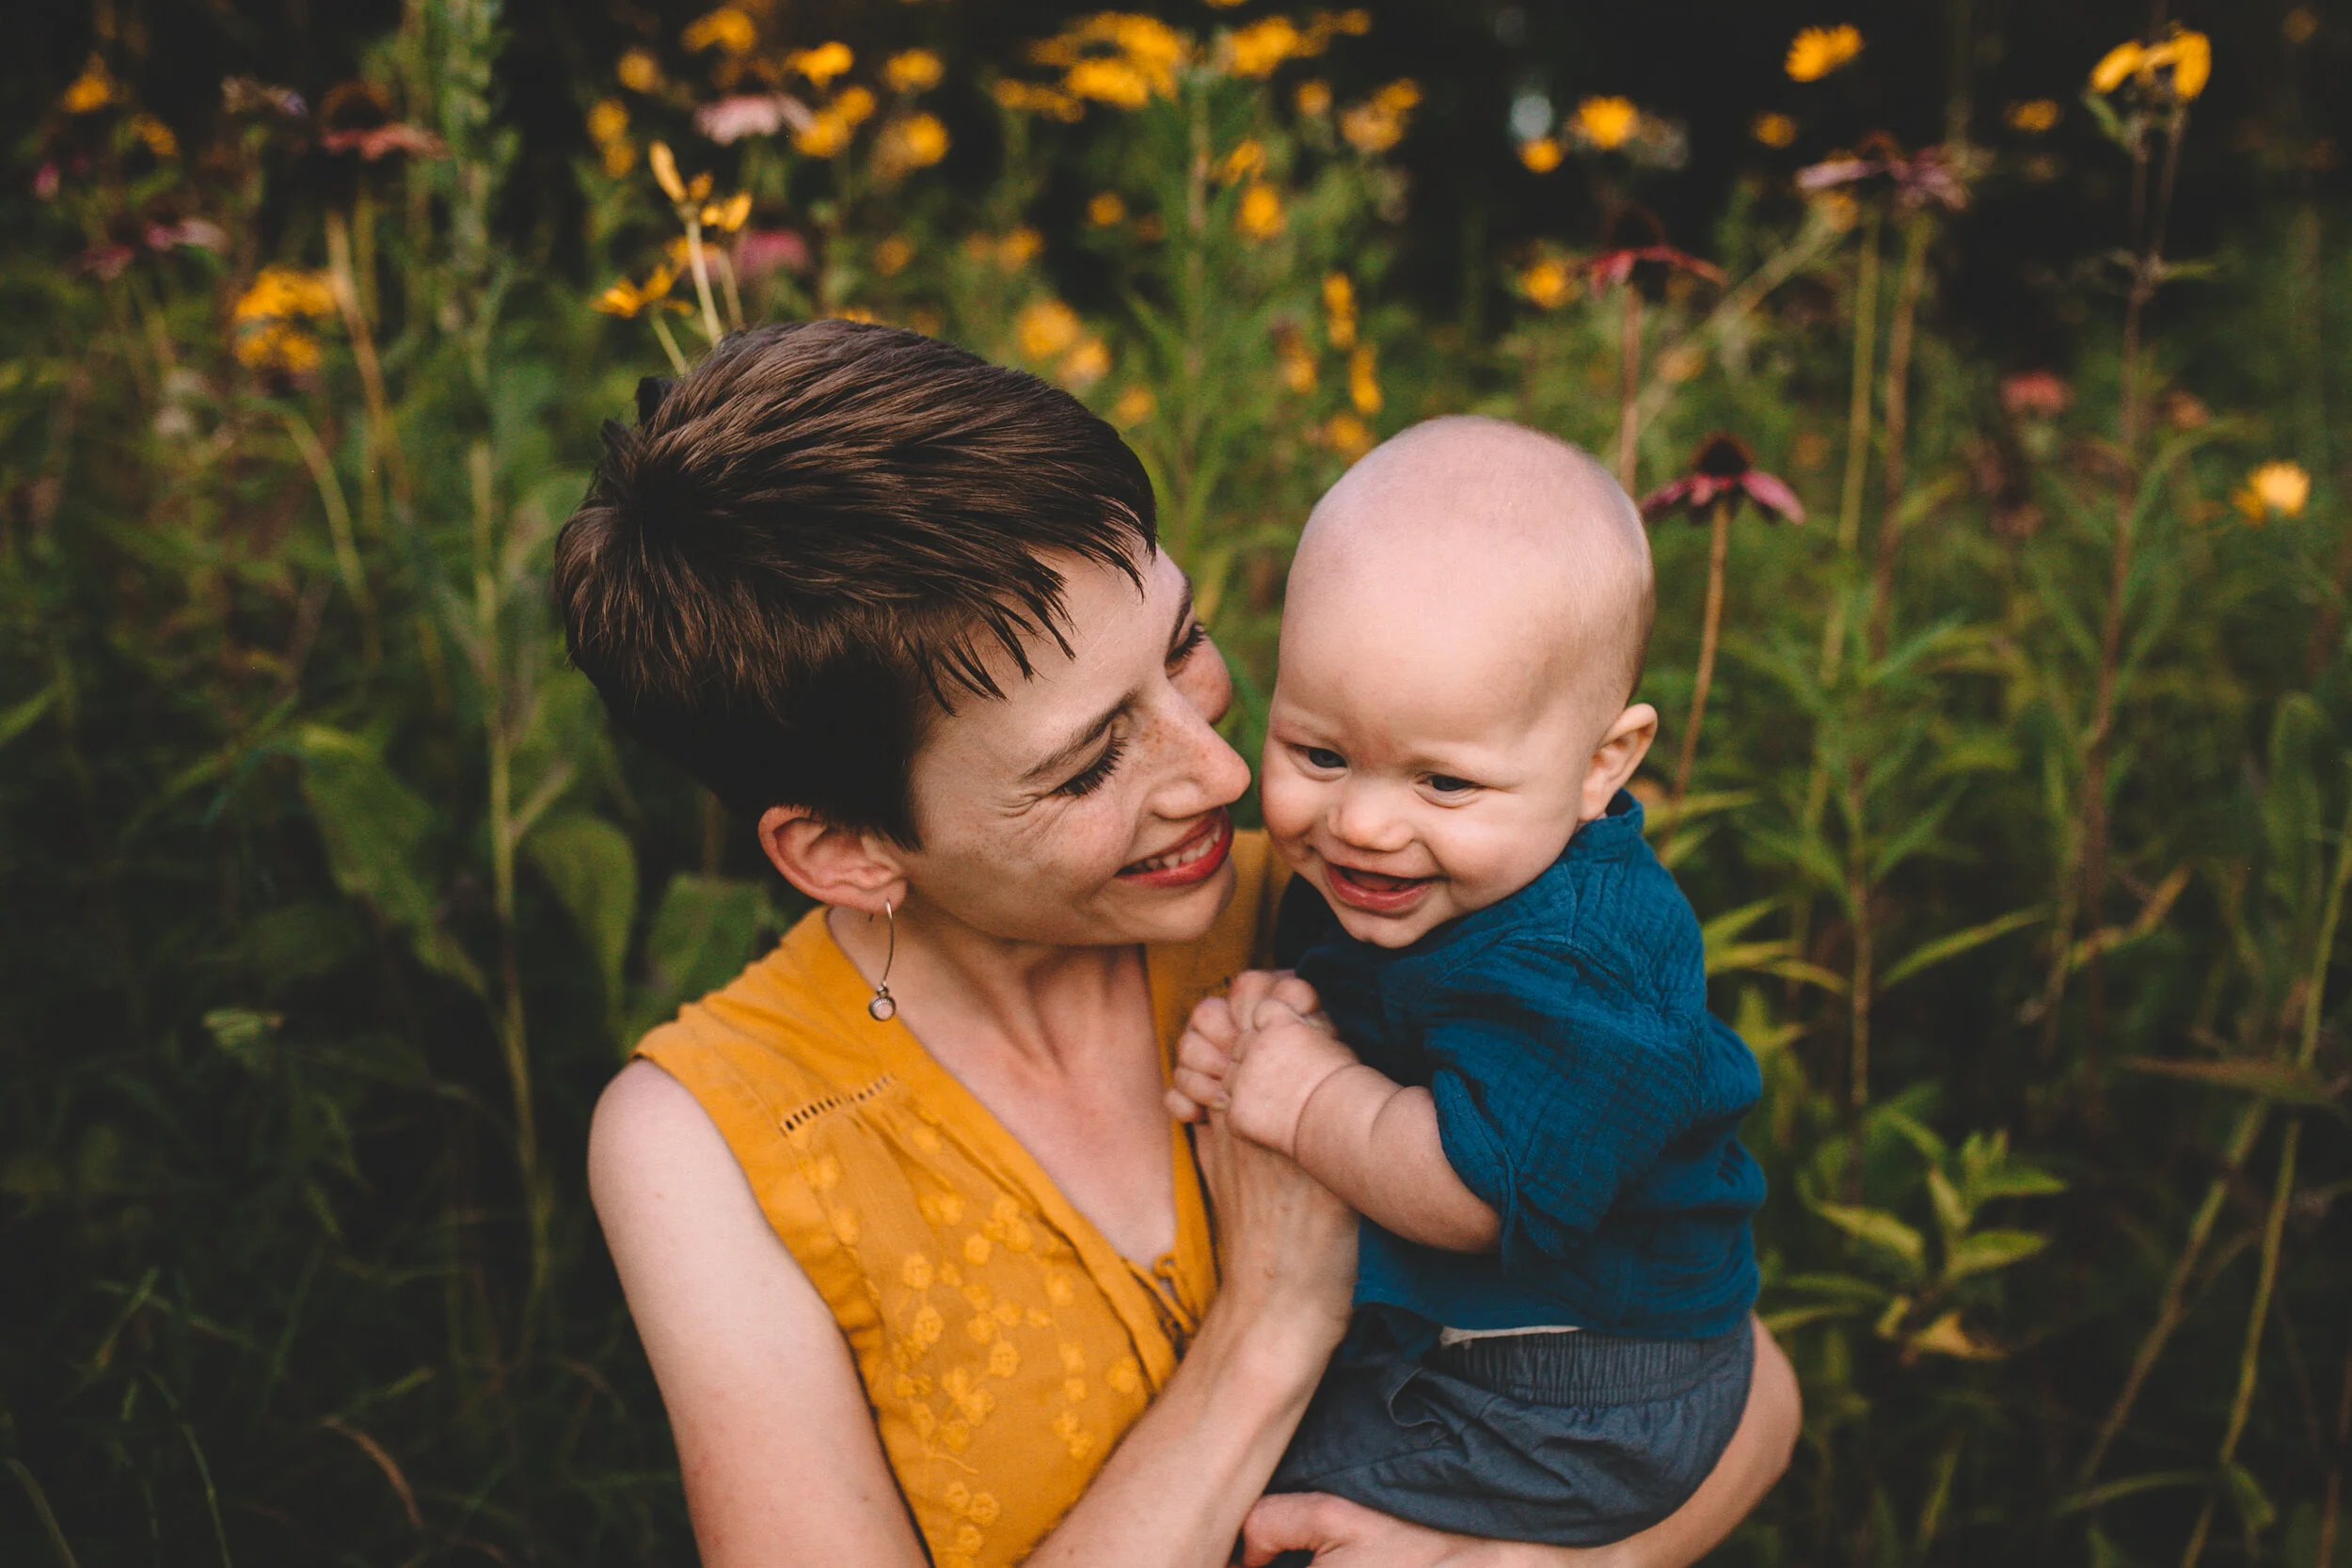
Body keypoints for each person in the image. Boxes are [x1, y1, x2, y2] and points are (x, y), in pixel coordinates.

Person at [556, 321, 1798, 1568]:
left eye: (1185, 643)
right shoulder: (713, 1142)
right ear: (845, 850)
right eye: (1087, 762)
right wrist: (1270, 1325)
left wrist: (1569, 1564)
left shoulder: (1348, 906)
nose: (1219, 772)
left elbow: (1733, 1371)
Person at [1169, 418, 1762, 1546]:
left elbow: (1480, 1190)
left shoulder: (1583, 958)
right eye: (1319, 754)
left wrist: (1307, 1096)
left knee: (1243, 1514)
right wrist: (1255, 1043)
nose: (1362, 823)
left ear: (1601, 764)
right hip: (1498, 1344)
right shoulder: (1406, 878)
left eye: (1443, 781)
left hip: (1584, 1388)